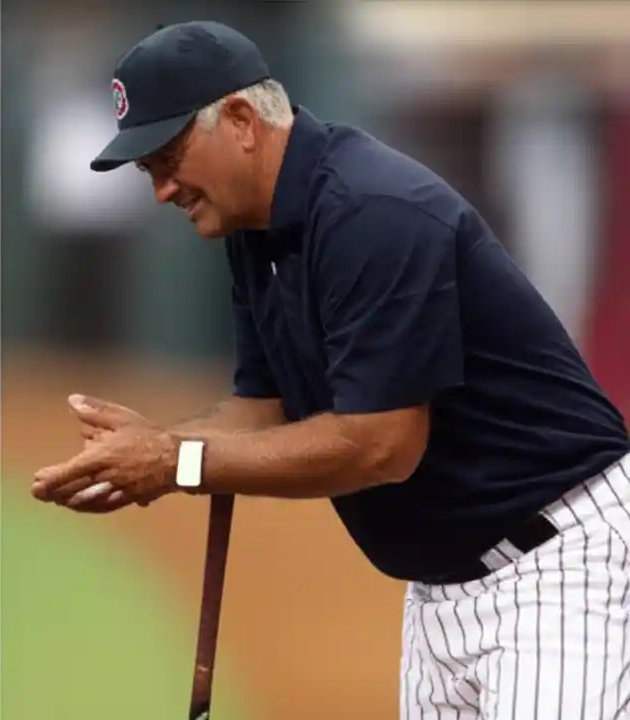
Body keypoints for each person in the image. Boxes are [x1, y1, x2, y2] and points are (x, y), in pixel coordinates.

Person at [31, 20, 630, 719]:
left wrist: (176, 463)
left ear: (243, 121)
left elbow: (383, 446)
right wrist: (154, 448)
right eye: (148, 170)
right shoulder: (255, 228)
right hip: (442, 592)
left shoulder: (373, 212)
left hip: (556, 563)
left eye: (168, 157)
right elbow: (262, 407)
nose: (162, 189)